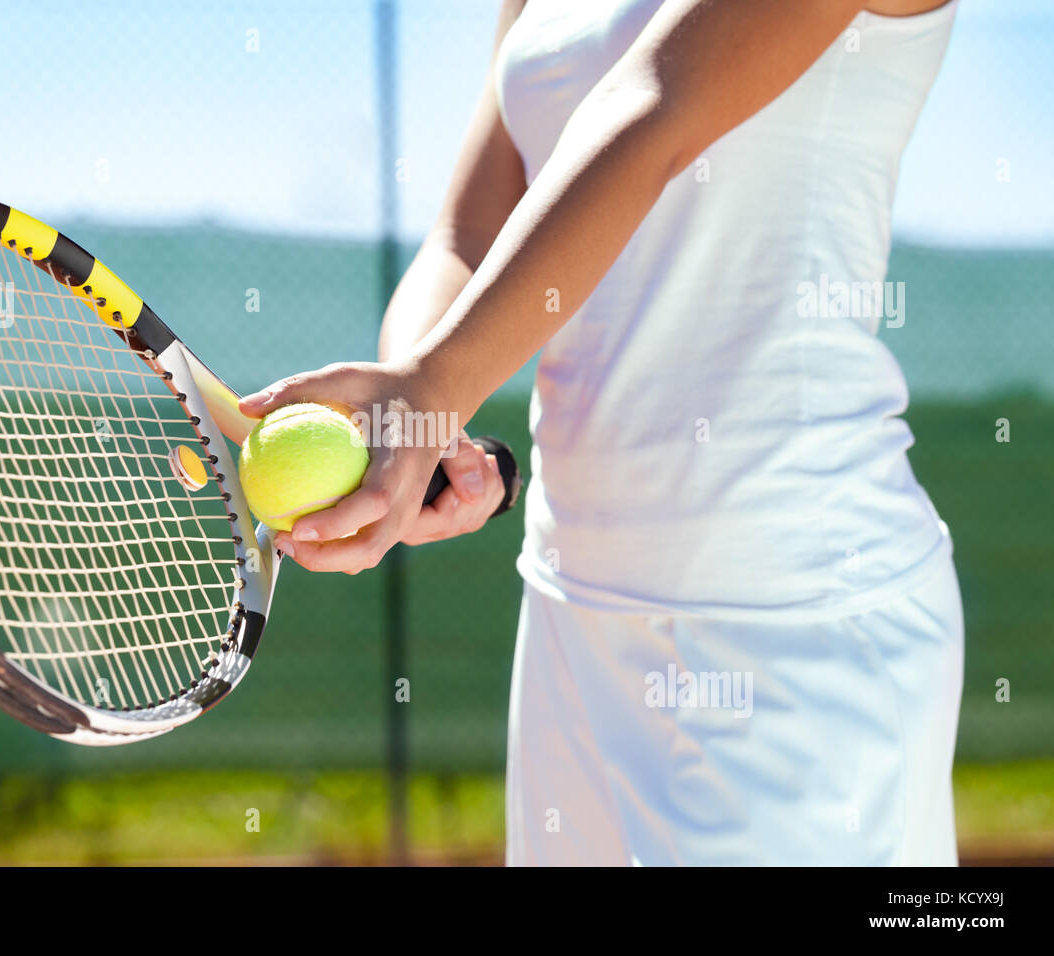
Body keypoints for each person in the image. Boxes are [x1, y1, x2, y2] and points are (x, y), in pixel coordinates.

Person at [239, 0, 963, 865]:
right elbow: (467, 234)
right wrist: (427, 423)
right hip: (569, 604)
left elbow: (654, 108)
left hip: (789, 622)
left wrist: (433, 386)